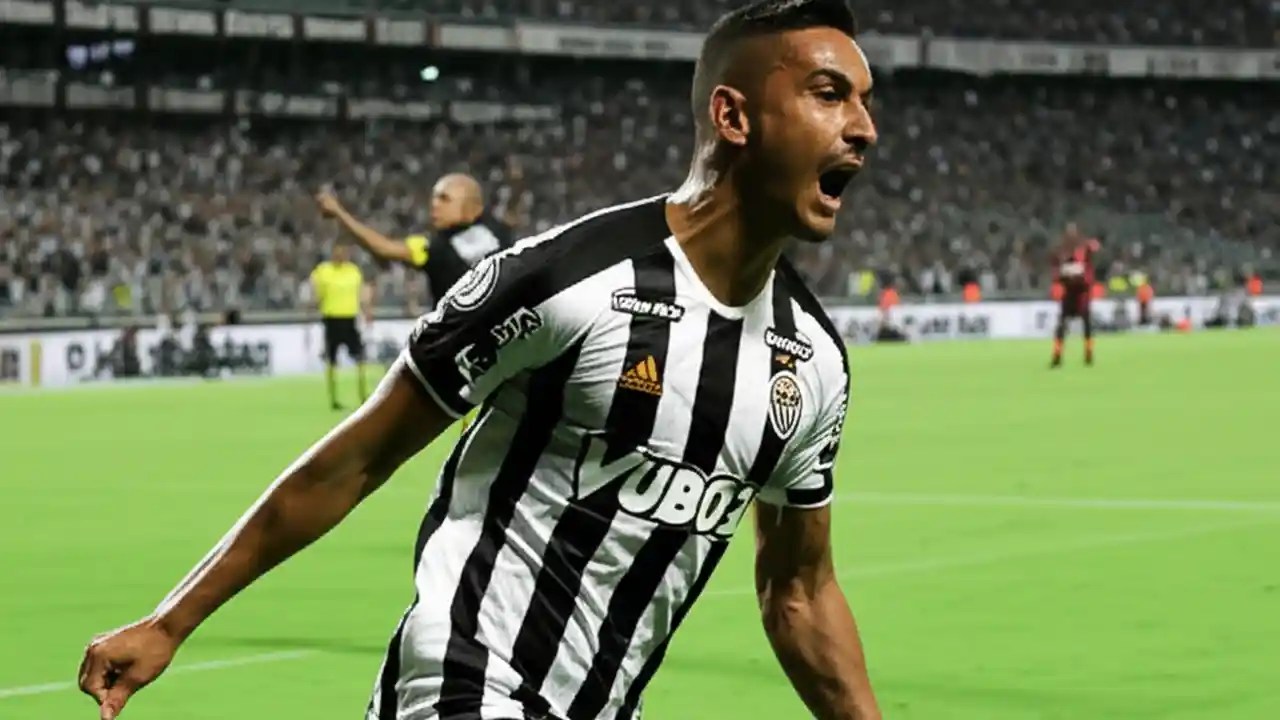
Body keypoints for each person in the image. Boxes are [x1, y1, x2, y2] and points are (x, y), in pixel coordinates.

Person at [76, 2, 882, 719]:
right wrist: (171, 619)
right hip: (463, 683)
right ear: (733, 117)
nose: (864, 127)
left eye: (865, 101)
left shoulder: (812, 363)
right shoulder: (568, 281)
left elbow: (800, 592)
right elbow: (353, 461)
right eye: (829, 93)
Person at [310, 243, 370, 410]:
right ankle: (334, 398)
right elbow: (316, 291)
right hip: (332, 319)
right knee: (332, 360)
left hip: (350, 318)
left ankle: (363, 394)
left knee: (360, 358)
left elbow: (361, 292)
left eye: (343, 252)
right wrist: (313, 306)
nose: (340, 256)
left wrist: (366, 310)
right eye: (337, 253)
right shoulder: (323, 271)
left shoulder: (353, 271)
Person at [1050, 222, 1101, 368]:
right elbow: (1056, 270)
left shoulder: (1083, 248)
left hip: (1082, 292)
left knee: (1087, 324)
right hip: (1069, 292)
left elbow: (1095, 249)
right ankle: (1057, 355)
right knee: (1062, 325)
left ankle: (1088, 354)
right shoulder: (1062, 251)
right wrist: (1062, 275)